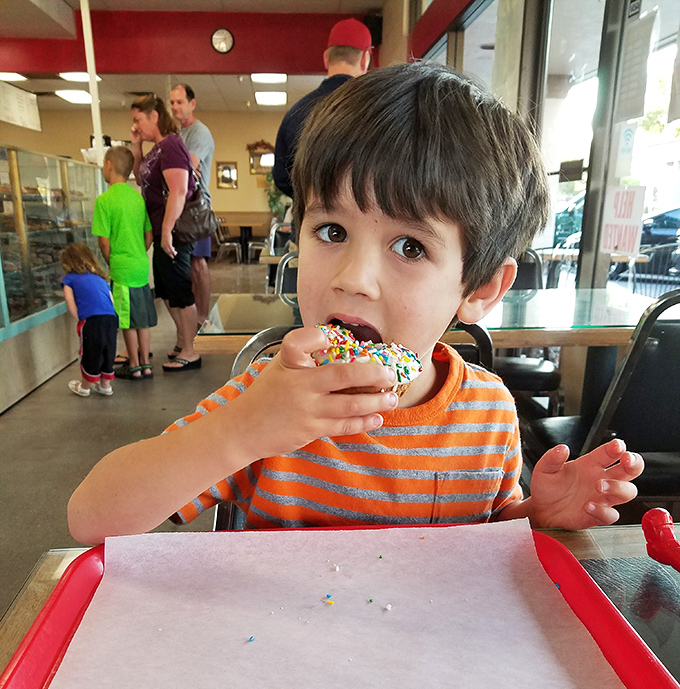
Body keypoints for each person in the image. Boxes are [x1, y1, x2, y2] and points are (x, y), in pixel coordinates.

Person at [68, 62, 644, 545]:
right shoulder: (267, 398)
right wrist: (241, 431)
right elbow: (91, 519)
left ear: (480, 288)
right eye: (332, 232)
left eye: (410, 246)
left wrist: (534, 518)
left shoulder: (486, 412)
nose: (354, 279)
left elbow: (486, 538)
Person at [130, 93, 201, 372]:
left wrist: (168, 231)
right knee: (169, 290)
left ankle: (190, 350)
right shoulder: (156, 149)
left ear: (154, 116)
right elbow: (140, 178)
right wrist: (136, 147)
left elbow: (179, 189)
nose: (136, 126)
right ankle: (183, 340)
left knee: (180, 289)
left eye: (138, 120)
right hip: (163, 228)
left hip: (175, 228)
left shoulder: (171, 144)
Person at [272, 17, 372, 203]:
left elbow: (280, 177)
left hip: (310, 224)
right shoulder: (377, 111)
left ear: (326, 58)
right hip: (368, 226)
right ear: (365, 59)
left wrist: (312, 199)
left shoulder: (295, 113)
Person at [92, 145, 155, 380]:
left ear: (109, 165)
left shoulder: (104, 201)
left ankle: (135, 365)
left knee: (127, 320)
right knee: (143, 317)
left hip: (122, 268)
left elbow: (104, 242)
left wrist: (112, 261)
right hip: (140, 265)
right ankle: (147, 363)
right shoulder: (138, 199)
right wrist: (139, 251)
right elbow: (149, 234)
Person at [170, 83, 215, 329]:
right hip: (179, 207)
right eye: (172, 103)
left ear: (192, 103)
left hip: (197, 209)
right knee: (185, 265)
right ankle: (191, 317)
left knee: (198, 264)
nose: (175, 107)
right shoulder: (177, 135)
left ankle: (202, 317)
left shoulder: (199, 133)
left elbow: (188, 170)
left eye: (179, 102)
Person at [61, 242, 118, 398]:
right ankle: (106, 386)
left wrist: (79, 318)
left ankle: (85, 387)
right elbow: (110, 300)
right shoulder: (100, 278)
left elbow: (69, 300)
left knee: (90, 353)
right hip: (110, 319)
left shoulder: (70, 280)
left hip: (91, 321)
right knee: (108, 350)